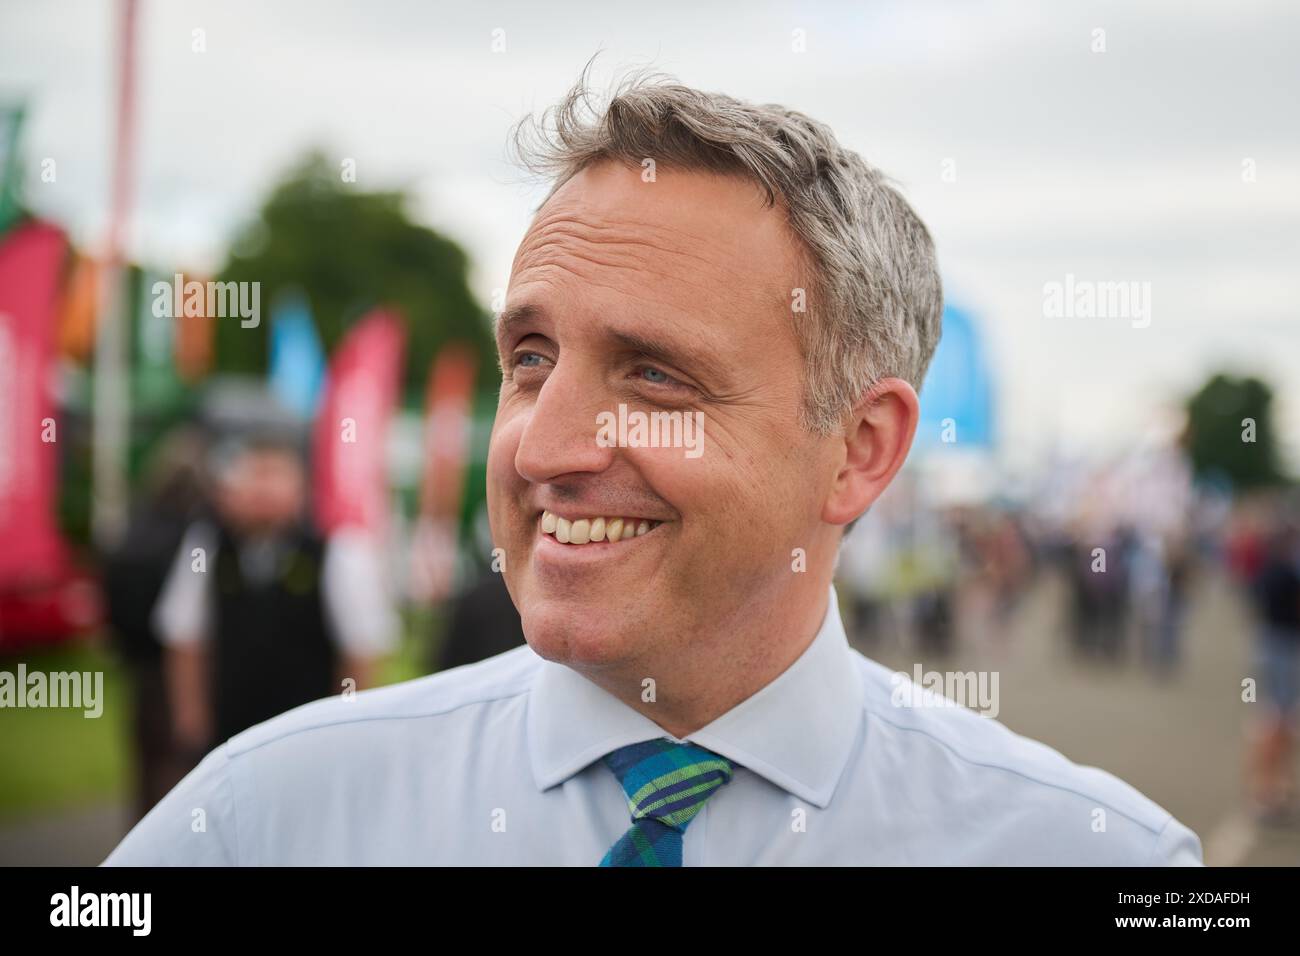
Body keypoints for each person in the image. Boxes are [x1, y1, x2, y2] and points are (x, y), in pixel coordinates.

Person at [105, 70, 1201, 865]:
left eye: (655, 376)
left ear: (859, 451)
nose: (541, 448)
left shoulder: (1094, 854)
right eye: (530, 358)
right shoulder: (268, 817)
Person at [151, 432, 397, 758]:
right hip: (229, 734)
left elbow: (361, 648)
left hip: (308, 736)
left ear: (302, 488)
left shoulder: (336, 551)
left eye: (275, 474)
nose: (262, 489)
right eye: (254, 474)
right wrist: (190, 718)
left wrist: (347, 727)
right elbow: (184, 635)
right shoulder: (207, 547)